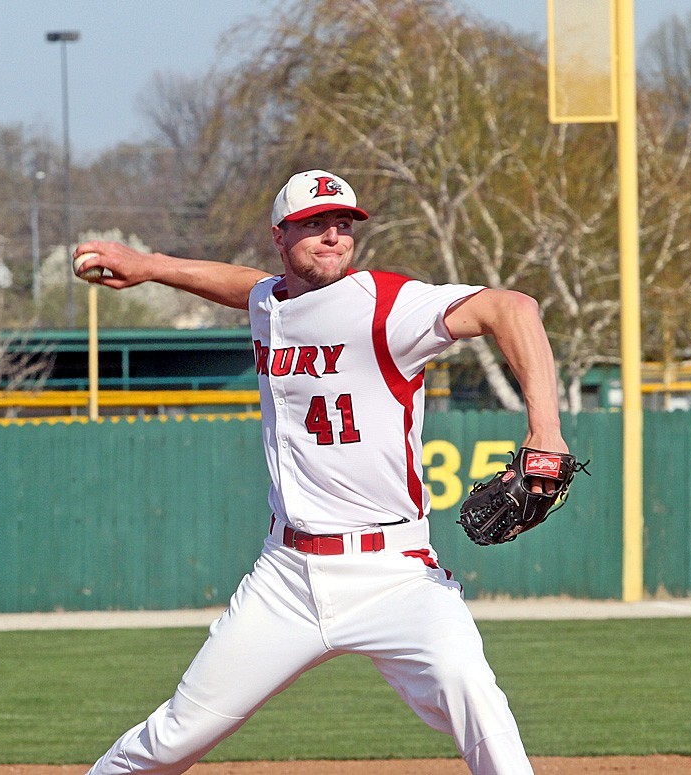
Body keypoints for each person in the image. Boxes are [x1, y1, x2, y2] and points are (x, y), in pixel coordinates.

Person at [77, 169, 569, 775]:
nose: (333, 236)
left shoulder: (385, 304)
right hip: (286, 574)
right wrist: (152, 266)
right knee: (176, 735)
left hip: (394, 573)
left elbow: (512, 308)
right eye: (314, 225)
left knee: (473, 693)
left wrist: (545, 429)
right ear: (280, 236)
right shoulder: (270, 303)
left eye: (343, 224)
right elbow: (246, 287)